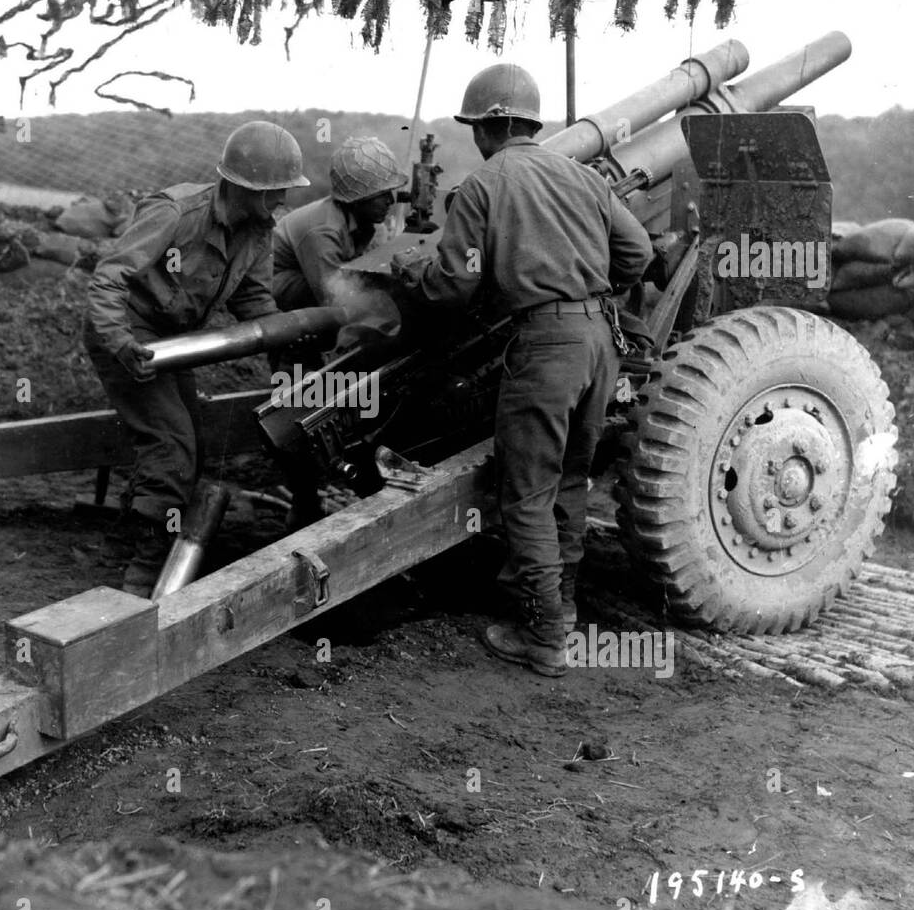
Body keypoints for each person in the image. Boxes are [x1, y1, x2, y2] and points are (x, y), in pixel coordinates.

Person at [393, 63, 652, 677]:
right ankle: (558, 610)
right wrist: (586, 292)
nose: (475, 139)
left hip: (547, 350)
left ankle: (544, 637)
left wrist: (412, 276)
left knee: (527, 493)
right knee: (569, 481)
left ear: (493, 126)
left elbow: (455, 283)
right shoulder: (584, 178)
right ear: (531, 123)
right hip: (599, 344)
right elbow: (638, 254)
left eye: (476, 128)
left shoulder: (485, 184)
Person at [84, 120, 310, 596]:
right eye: (274, 193)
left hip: (174, 339)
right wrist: (122, 344)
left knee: (192, 444)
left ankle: (124, 543)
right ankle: (142, 581)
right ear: (242, 187)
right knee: (172, 449)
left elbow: (254, 303)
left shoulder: (257, 230)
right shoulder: (175, 214)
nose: (281, 204)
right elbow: (108, 279)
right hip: (129, 334)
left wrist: (285, 356)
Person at [269, 135, 406, 527]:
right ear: (356, 198)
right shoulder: (323, 231)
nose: (390, 201)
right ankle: (304, 504)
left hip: (315, 305)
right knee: (296, 401)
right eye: (380, 195)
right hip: (287, 310)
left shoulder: (361, 221)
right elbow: (339, 299)